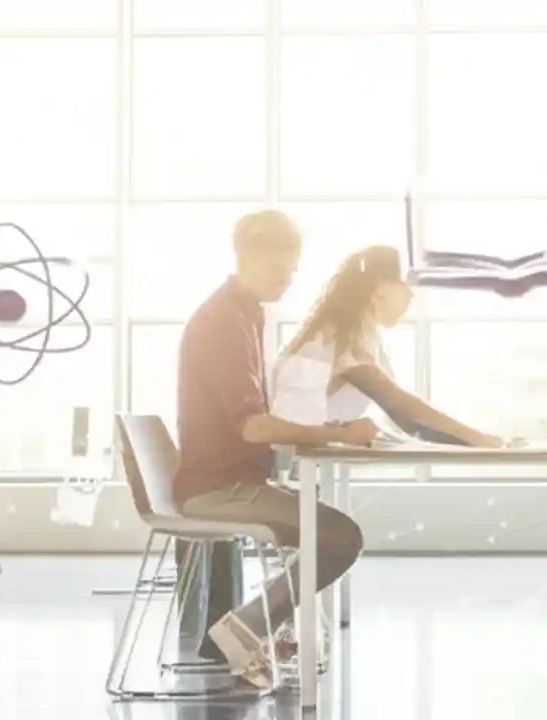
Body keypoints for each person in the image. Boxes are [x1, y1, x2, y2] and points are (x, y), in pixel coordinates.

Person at [173, 209, 375, 689]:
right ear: (244, 259)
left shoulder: (244, 313)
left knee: (321, 532)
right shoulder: (223, 323)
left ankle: (263, 628)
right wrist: (340, 434)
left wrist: (325, 427)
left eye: (292, 269)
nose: (286, 280)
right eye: (276, 269)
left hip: (232, 480)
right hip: (219, 488)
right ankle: (245, 629)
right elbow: (252, 428)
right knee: (341, 539)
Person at [271, 245, 505, 448]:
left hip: (308, 467)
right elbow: (398, 404)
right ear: (380, 288)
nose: (411, 298)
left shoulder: (361, 334)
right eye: (406, 288)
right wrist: (478, 439)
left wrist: (475, 440)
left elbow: (406, 419)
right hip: (292, 471)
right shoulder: (339, 338)